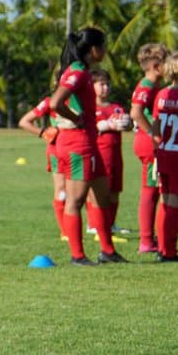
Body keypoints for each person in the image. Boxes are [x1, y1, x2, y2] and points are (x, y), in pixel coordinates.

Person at [47, 28, 120, 264]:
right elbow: (56, 102)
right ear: (93, 49)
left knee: (102, 197)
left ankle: (107, 251)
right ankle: (77, 255)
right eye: (104, 45)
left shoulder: (85, 72)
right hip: (77, 144)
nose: (106, 50)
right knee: (75, 201)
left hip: (90, 142)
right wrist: (75, 117)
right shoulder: (77, 72)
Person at [130, 43, 169, 258]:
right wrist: (152, 135)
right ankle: (146, 240)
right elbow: (136, 112)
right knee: (152, 191)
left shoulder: (149, 84)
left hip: (145, 142)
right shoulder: (148, 86)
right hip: (148, 144)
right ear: (156, 66)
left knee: (152, 190)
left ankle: (148, 238)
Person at [151, 51, 178, 262]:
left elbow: (155, 128)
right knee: (176, 203)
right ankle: (169, 251)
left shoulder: (162, 95)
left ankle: (162, 248)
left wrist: (157, 152)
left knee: (164, 201)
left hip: (164, 153)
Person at [15, 92, 65, 241]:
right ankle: (66, 231)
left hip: (80, 148)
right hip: (57, 150)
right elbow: (24, 122)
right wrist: (43, 133)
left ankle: (96, 227)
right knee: (62, 190)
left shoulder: (84, 100)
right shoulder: (50, 102)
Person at [88, 70, 131, 239]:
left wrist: (127, 124)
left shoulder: (116, 107)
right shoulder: (91, 107)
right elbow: (87, 128)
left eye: (107, 84)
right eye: (101, 84)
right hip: (99, 154)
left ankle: (110, 224)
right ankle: (94, 224)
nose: (105, 88)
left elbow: (126, 125)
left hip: (115, 155)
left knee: (115, 190)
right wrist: (104, 125)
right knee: (98, 191)